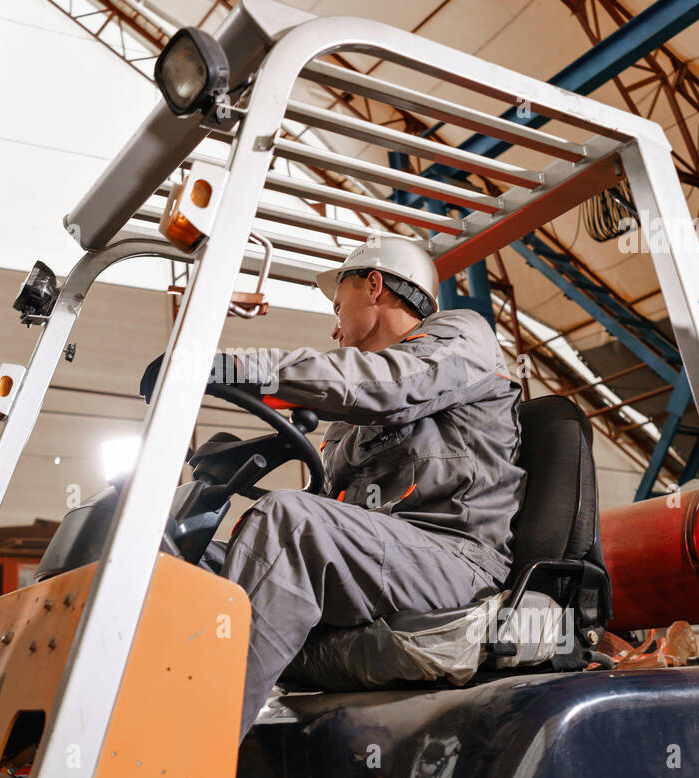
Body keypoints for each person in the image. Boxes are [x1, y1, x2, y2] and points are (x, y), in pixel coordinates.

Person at [208, 236, 525, 739]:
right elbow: (330, 502)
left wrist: (237, 367)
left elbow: (393, 384)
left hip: (456, 560)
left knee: (289, 524)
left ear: (373, 286)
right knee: (196, 559)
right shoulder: (350, 420)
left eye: (339, 304)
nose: (334, 326)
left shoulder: (462, 338)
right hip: (384, 560)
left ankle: (190, 758)